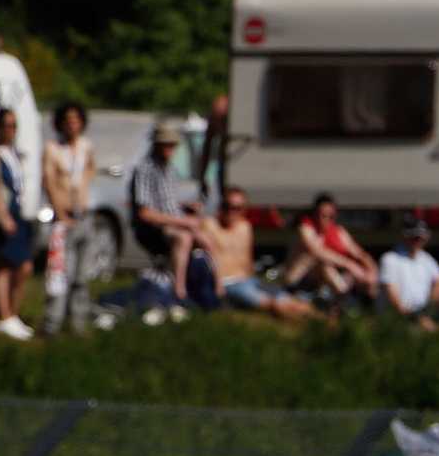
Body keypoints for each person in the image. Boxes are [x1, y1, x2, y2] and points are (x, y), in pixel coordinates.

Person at [202, 186, 321, 321]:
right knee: (274, 305)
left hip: (249, 280)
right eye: (228, 206)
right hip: (229, 282)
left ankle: (324, 322)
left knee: (289, 299)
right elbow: (207, 255)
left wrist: (254, 278)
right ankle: (305, 326)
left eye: (237, 208)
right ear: (221, 206)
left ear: (244, 209)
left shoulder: (245, 228)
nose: (232, 212)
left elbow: (247, 258)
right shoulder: (210, 225)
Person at [128, 118, 204, 308]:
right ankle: (179, 290)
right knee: (184, 238)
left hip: (172, 221)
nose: (170, 149)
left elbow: (166, 203)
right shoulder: (145, 169)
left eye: (173, 145)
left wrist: (186, 208)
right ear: (157, 144)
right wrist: (182, 221)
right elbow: (145, 213)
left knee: (207, 236)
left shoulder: (169, 169)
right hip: (152, 228)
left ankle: (212, 286)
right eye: (166, 144)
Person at [41, 102, 102, 336]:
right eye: (68, 120)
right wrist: (60, 211)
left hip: (84, 214)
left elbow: (90, 170)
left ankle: (78, 323)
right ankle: (52, 323)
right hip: (63, 216)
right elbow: (48, 180)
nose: (72, 124)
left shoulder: (86, 147)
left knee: (81, 274)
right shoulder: (53, 148)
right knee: (59, 274)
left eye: (76, 120)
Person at [0, 109, 37, 339]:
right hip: (1, 217)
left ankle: (11, 313)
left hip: (17, 214)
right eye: (6, 125)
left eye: (13, 125)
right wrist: (3, 215)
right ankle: (4, 315)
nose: (10, 130)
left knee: (20, 266)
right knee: (4, 265)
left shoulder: (13, 153)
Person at [279, 193, 377, 304]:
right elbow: (316, 251)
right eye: (322, 215)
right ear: (314, 214)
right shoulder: (305, 228)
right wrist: (349, 265)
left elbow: (359, 253)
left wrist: (371, 271)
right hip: (296, 282)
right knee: (323, 262)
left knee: (355, 272)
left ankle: (360, 301)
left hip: (322, 285)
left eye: (330, 216)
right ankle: (344, 298)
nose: (325, 220)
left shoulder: (338, 231)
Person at [378, 218, 439, 329]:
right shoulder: (390, 259)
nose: (418, 240)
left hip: (424, 309)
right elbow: (393, 296)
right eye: (414, 237)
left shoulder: (426, 259)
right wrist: (415, 316)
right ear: (405, 236)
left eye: (421, 237)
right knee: (428, 330)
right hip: (402, 314)